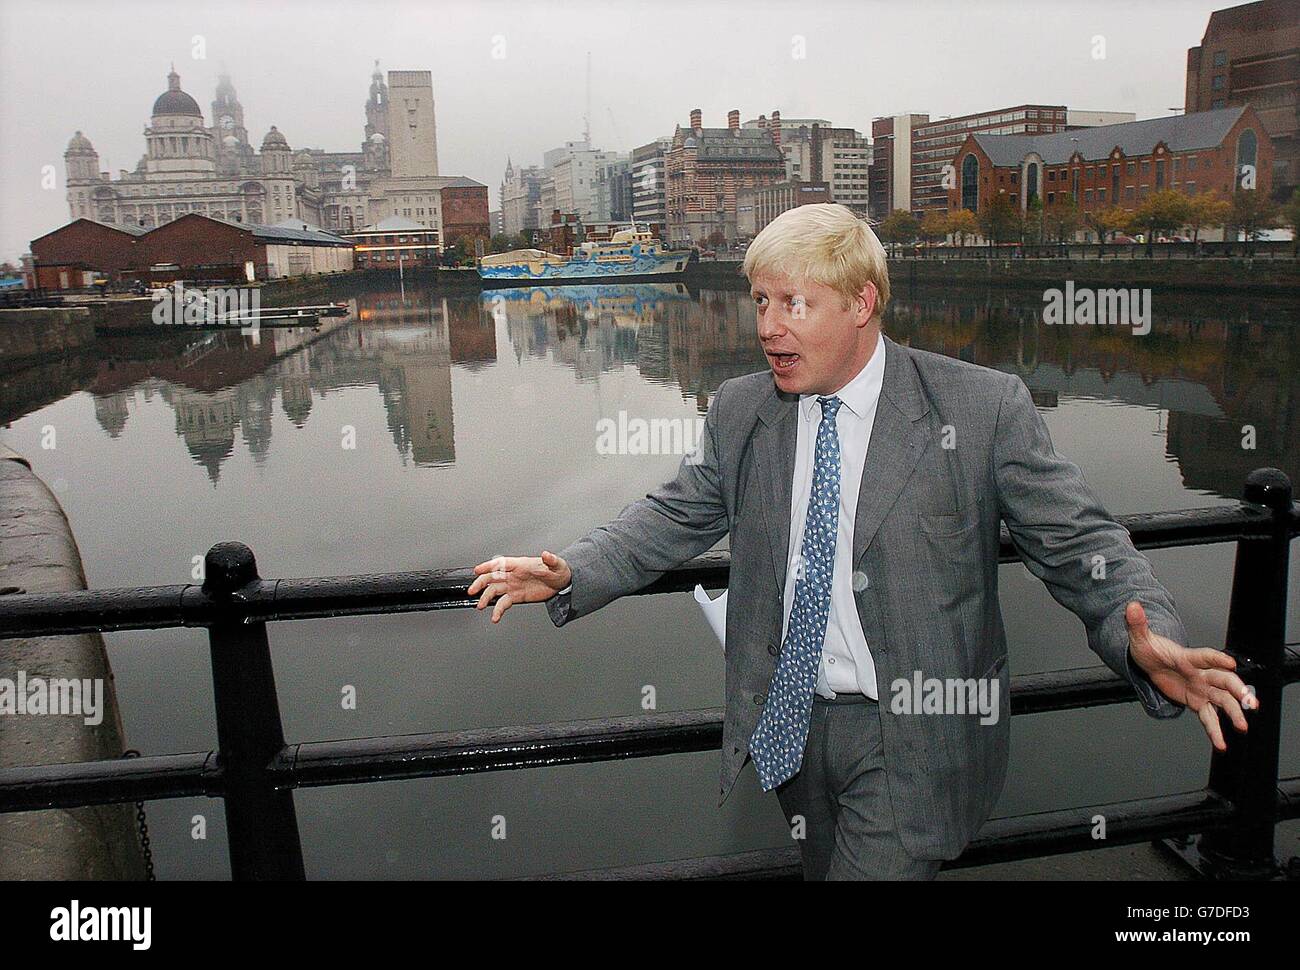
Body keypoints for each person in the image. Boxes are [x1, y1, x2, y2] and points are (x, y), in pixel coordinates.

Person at [468, 203, 1256, 880]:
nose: (769, 327)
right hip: (791, 727)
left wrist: (1142, 632)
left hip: (912, 738)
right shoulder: (743, 409)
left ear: (861, 303)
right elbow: (675, 513)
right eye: (761, 301)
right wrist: (570, 571)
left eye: (794, 303)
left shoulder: (980, 410)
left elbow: (1081, 543)